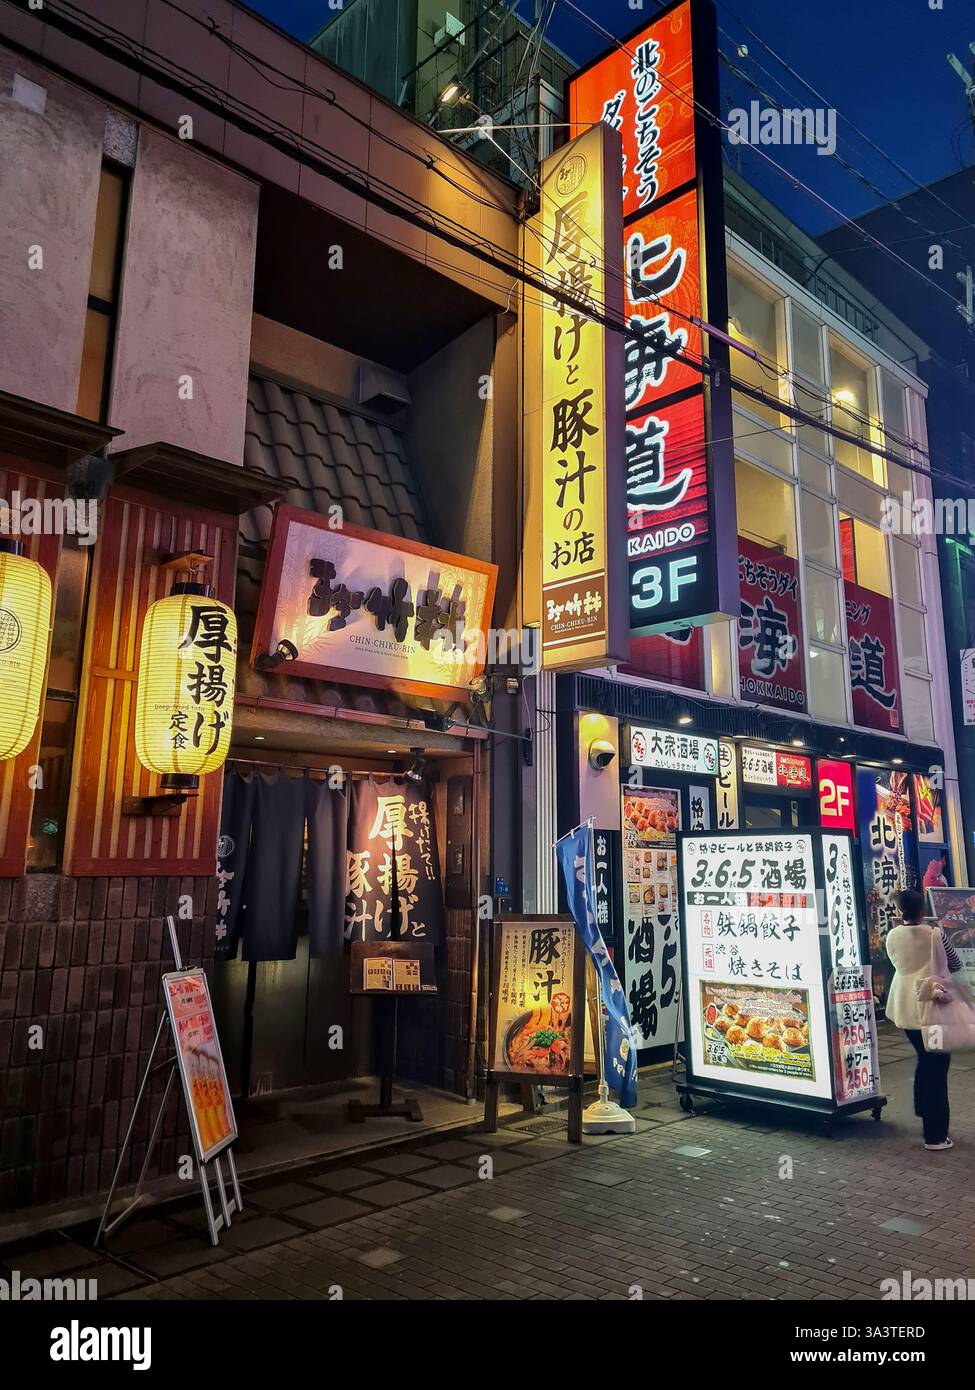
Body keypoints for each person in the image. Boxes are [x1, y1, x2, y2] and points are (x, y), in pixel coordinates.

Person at [885, 887, 962, 1151]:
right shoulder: (935, 934)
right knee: (937, 1068)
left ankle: (923, 1110)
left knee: (925, 1059)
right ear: (923, 909)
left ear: (900, 910)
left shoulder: (892, 935)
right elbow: (955, 963)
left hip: (904, 1005)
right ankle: (936, 1135)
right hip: (933, 1005)